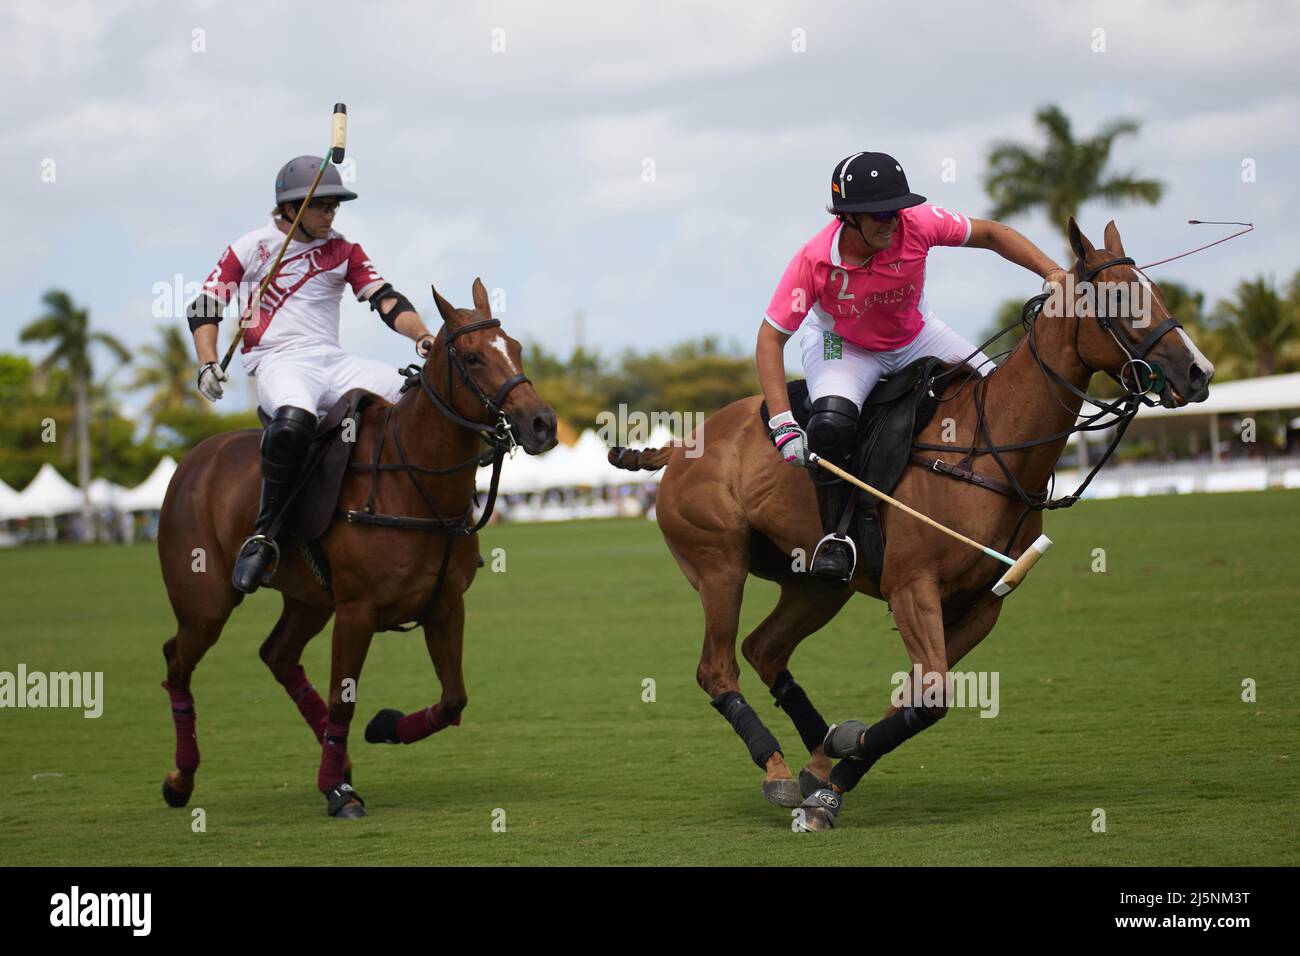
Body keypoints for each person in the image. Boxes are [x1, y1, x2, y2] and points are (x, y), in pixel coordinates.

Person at [757, 151, 1066, 584]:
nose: (892, 221)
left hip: (916, 335)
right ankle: (837, 538)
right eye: (880, 213)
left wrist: (1053, 272)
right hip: (842, 345)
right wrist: (783, 423)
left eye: (897, 208)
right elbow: (771, 339)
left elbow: (994, 235)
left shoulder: (919, 222)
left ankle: (1007, 515)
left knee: (1001, 397)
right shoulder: (814, 259)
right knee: (831, 424)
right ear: (848, 217)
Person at [186, 155, 436, 594]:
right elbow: (205, 305)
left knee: (421, 393)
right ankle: (264, 537)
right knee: (294, 420)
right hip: (278, 361)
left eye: (334, 205)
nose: (330, 214)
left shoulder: (344, 250)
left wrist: (421, 337)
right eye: (320, 206)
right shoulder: (252, 246)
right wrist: (207, 360)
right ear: (289, 208)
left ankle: (443, 512)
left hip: (333, 362)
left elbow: (386, 299)